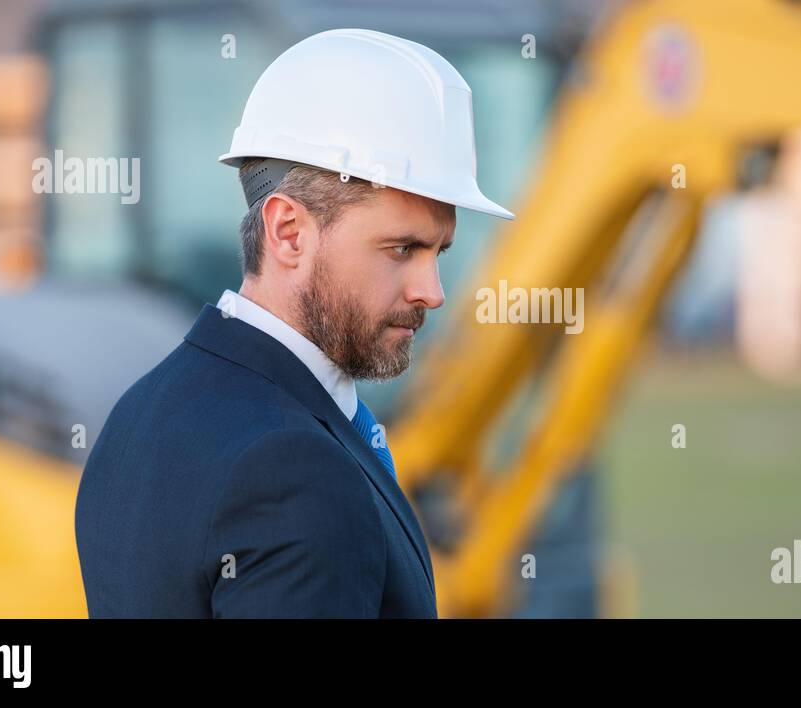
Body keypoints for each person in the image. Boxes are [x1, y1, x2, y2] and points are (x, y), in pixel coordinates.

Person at [75, 28, 513, 618]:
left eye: (440, 252)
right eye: (402, 249)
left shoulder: (138, 415)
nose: (431, 293)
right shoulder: (297, 473)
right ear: (288, 232)